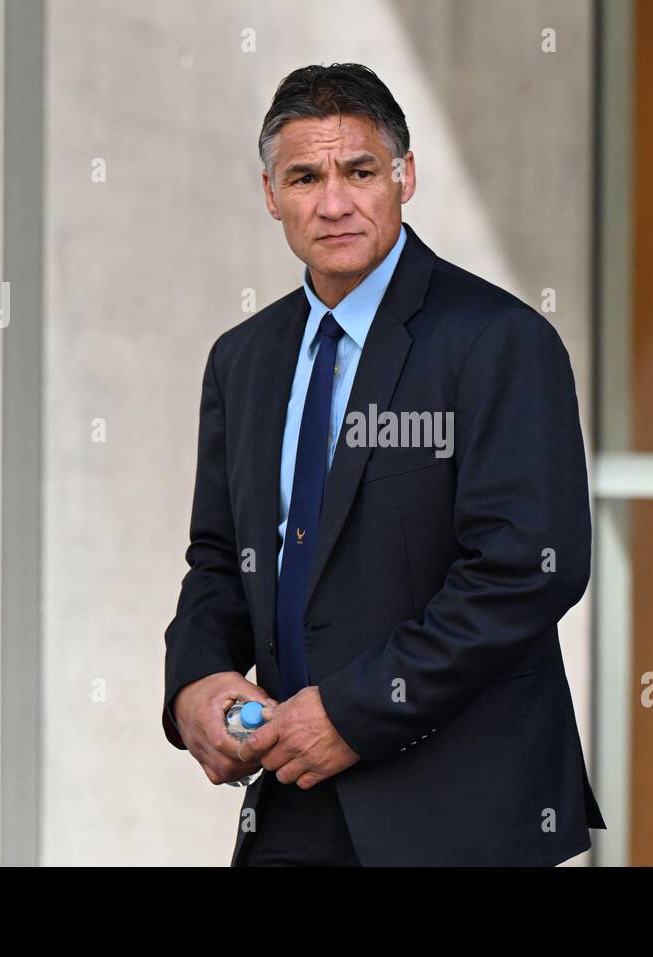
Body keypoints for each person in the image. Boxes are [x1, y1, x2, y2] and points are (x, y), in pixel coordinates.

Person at [162, 62, 604, 866]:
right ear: (270, 195)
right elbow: (220, 559)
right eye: (304, 176)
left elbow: (529, 569)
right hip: (291, 802)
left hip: (457, 816)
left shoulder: (499, 342)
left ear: (404, 177)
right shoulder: (244, 360)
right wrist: (196, 678)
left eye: (359, 171)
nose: (333, 202)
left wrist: (353, 713)